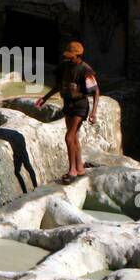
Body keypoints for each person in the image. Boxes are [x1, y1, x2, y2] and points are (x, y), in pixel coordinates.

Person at [36, 41, 99, 183]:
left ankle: (72, 171)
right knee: (74, 137)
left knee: (69, 137)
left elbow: (95, 91)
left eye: (72, 57)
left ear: (78, 56)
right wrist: (45, 98)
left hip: (80, 106)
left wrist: (94, 112)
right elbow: (58, 86)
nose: (69, 59)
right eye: (68, 56)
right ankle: (80, 168)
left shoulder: (85, 70)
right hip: (68, 104)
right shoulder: (64, 67)